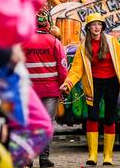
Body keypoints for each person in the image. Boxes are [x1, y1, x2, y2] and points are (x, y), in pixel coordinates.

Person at [63, 13, 120, 166]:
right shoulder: (83, 47)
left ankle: (108, 156)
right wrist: (67, 84)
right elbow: (76, 70)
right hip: (93, 83)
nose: (96, 27)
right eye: (93, 25)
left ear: (102, 27)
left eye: (99, 24)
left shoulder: (112, 42)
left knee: (110, 117)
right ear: (88, 28)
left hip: (112, 82)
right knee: (93, 117)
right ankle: (93, 155)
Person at [25, 12, 68, 168]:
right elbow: (63, 68)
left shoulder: (24, 42)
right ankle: (44, 159)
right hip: (50, 91)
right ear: (47, 25)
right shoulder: (55, 42)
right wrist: (65, 87)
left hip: (30, 91)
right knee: (46, 124)